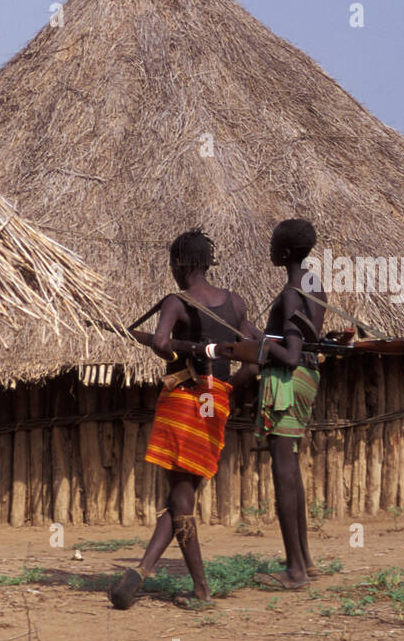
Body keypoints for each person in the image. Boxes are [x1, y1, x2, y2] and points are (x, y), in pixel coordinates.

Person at [109, 229, 257, 609]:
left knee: (182, 499)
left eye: (172, 264)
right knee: (181, 498)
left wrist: (191, 348)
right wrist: (227, 389)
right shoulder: (236, 303)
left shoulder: (176, 301)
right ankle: (141, 571)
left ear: (180, 264)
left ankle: (202, 591)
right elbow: (257, 355)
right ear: (207, 262)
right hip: (213, 405)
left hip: (184, 402)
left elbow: (160, 343)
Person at [235, 218, 326, 590]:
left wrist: (252, 344)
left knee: (284, 469)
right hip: (308, 378)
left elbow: (288, 354)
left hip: (288, 380)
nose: (269, 249)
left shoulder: (290, 292)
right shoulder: (314, 285)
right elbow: (298, 340)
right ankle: (304, 560)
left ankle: (294, 571)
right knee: (292, 469)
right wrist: (257, 334)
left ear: (285, 252)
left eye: (273, 245)